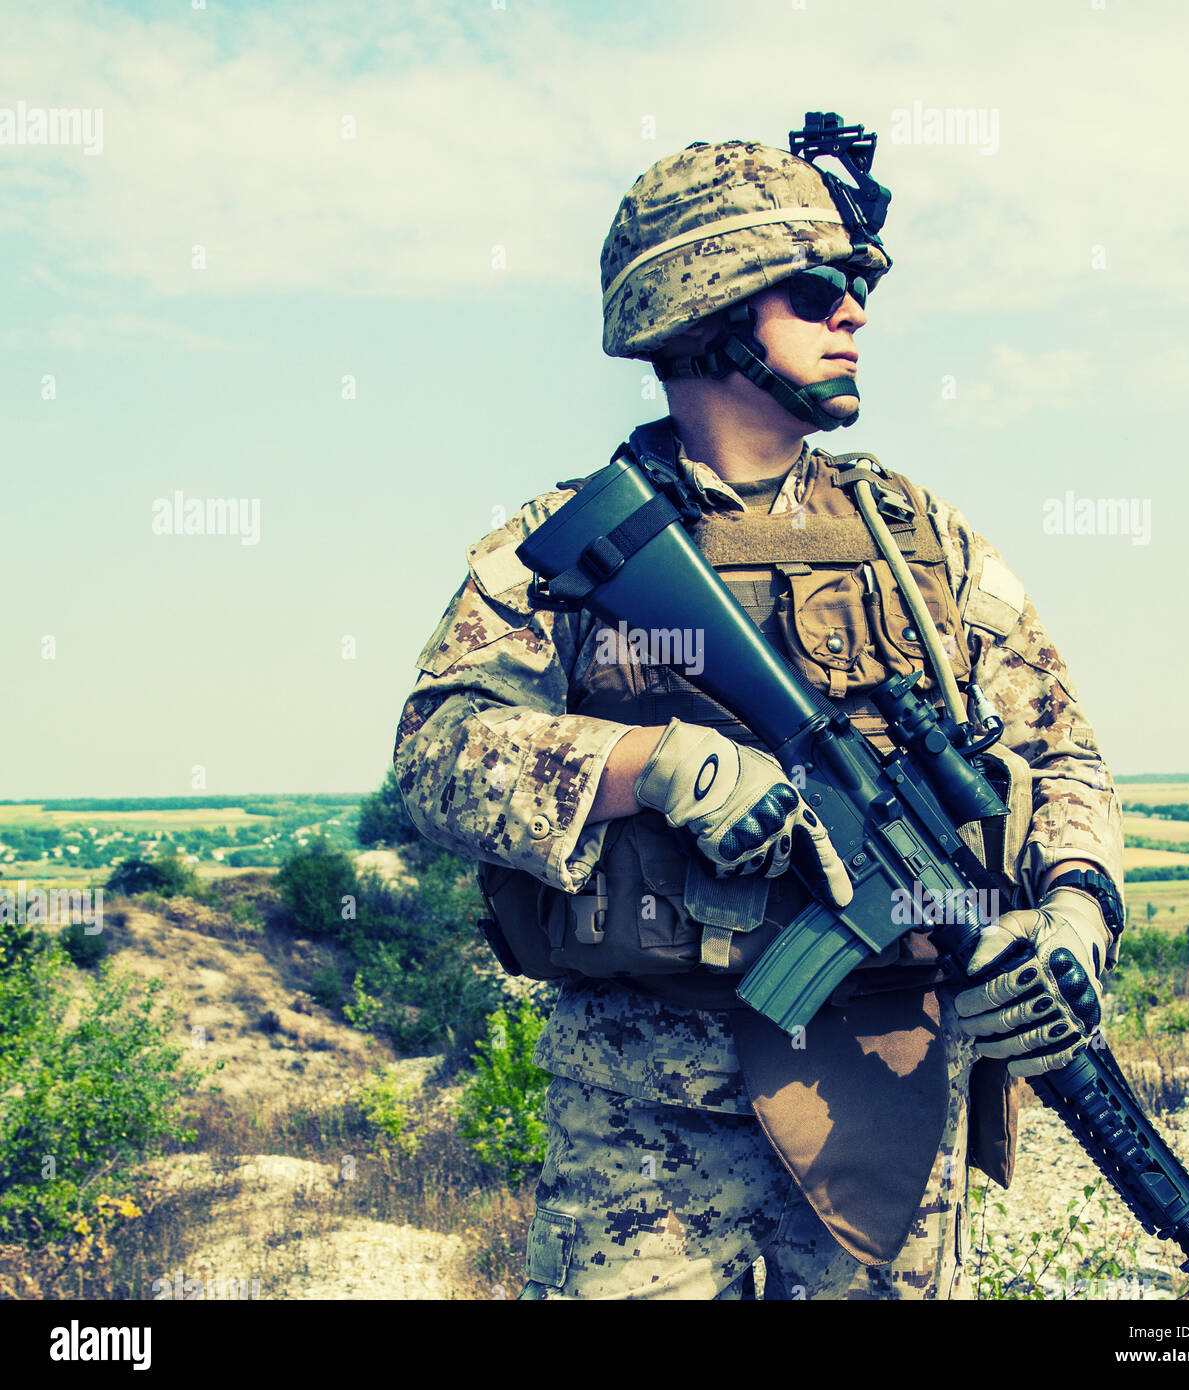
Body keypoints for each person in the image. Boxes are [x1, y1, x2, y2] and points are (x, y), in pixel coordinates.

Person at [393, 119, 1125, 1300]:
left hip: (886, 1093)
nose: (854, 317)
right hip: (644, 1111)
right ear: (707, 308)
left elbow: (1059, 749)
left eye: (856, 290)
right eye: (815, 289)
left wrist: (1076, 910)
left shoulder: (923, 544)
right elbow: (435, 754)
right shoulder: (563, 548)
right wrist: (648, 762)